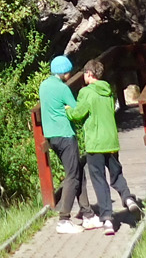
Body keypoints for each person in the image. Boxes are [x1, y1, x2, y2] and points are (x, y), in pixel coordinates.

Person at [67, 57, 143, 234]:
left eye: (84, 73)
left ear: (89, 74)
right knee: (116, 174)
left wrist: (68, 111)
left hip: (95, 143)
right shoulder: (108, 91)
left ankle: (107, 219)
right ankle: (128, 198)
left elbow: (78, 114)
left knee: (99, 180)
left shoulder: (86, 92)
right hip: (111, 141)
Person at [38, 54, 93, 233]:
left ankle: (87, 213)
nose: (70, 75)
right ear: (64, 72)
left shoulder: (44, 86)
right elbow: (76, 110)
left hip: (52, 136)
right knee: (73, 176)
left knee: (78, 172)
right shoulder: (63, 89)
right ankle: (64, 219)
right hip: (65, 134)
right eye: (69, 72)